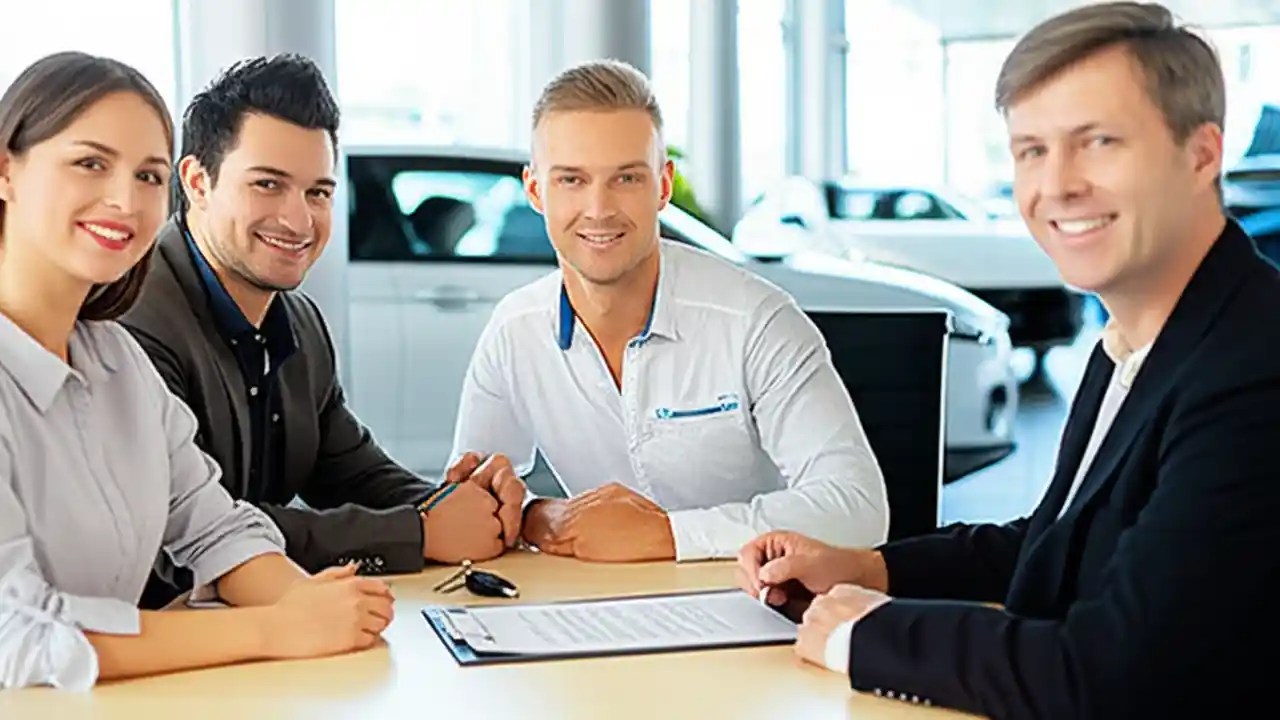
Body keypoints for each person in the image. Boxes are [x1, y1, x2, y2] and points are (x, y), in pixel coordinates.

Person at [736, 3, 1280, 717]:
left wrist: (866, 634)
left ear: (1201, 154)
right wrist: (873, 566)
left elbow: (1115, 672)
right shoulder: (1139, 342)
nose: (1057, 185)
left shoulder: (1256, 365)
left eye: (1099, 142)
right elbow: (1063, 542)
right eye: (1032, 150)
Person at [0, 52, 395, 691]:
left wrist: (313, 608)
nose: (125, 200)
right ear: (6, 170)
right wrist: (275, 631)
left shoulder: (114, 359)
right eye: (90, 163)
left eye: (148, 176)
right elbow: (16, 634)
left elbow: (214, 524)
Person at [118, 55, 525, 607]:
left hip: (275, 642)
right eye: (268, 185)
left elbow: (351, 470)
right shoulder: (133, 319)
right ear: (197, 182)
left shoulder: (300, 322)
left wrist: (461, 504)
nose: (299, 220)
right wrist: (421, 531)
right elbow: (196, 530)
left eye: (319, 192)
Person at [450, 59, 888, 564]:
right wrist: (536, 516)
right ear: (534, 190)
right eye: (572, 180)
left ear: (662, 186)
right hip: (601, 609)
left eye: (626, 179)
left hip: (754, 604)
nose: (598, 209)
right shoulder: (514, 331)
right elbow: (474, 496)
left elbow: (859, 507)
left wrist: (668, 535)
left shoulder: (755, 322)